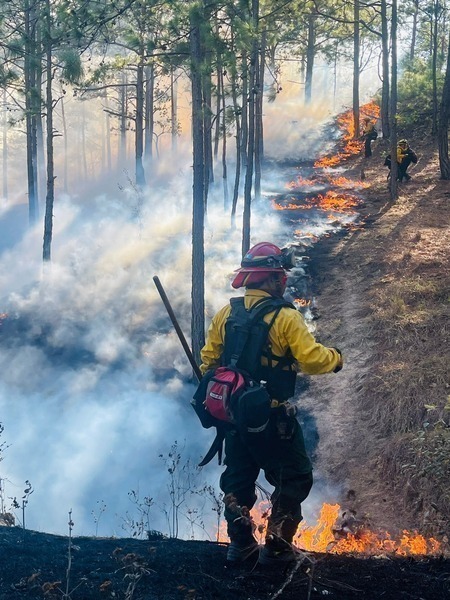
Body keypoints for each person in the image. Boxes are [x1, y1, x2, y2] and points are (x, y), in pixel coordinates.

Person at [199, 242, 343, 566]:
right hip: (273, 419)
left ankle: (240, 545)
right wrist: (335, 359)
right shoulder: (286, 317)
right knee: (295, 476)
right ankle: (277, 547)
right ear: (270, 278)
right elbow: (311, 359)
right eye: (280, 276)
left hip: (235, 420)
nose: (284, 282)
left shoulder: (226, 314)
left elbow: (208, 359)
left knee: (237, 480)